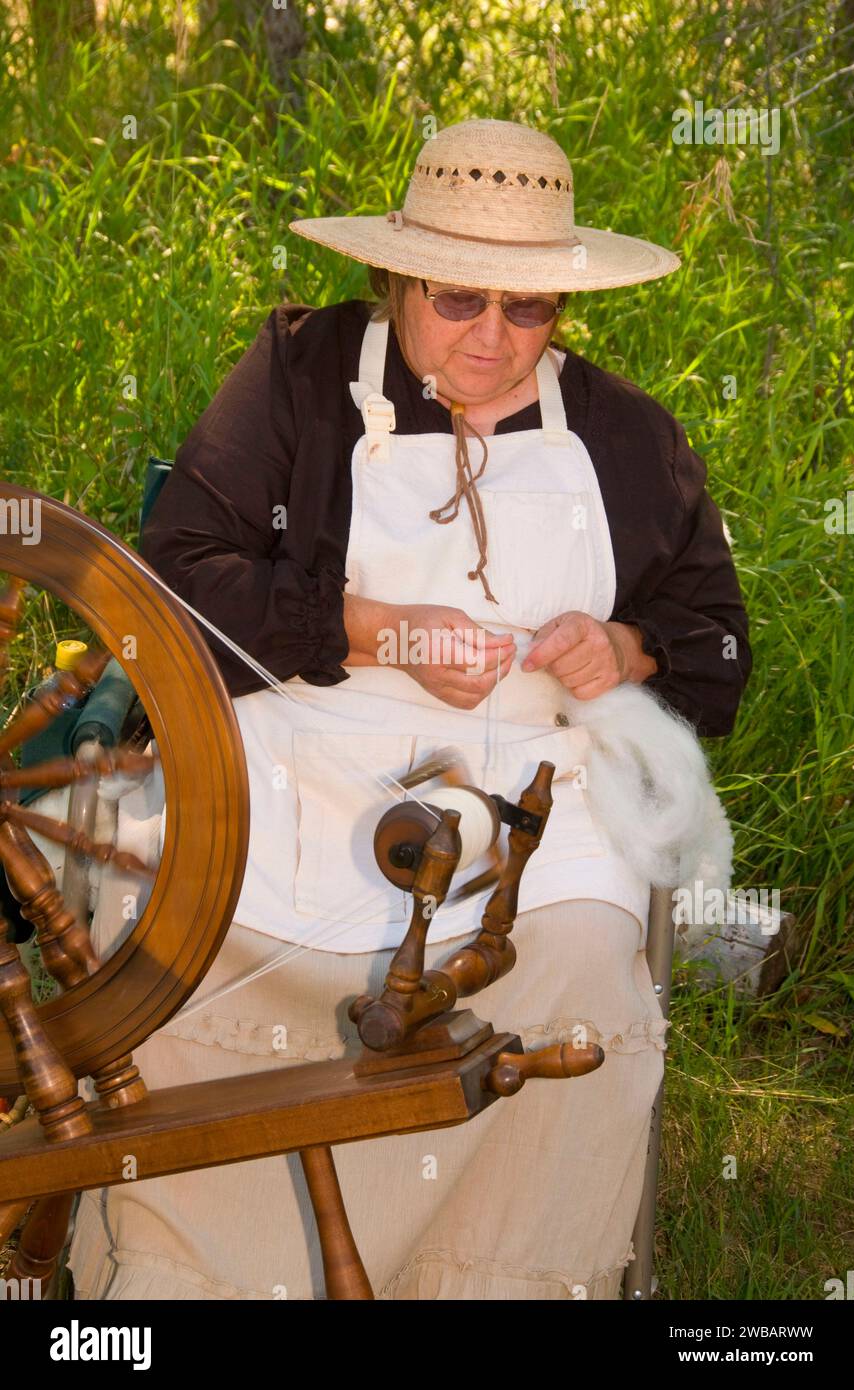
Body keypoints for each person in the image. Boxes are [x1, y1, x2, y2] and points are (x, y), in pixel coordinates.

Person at [67, 117, 751, 1301]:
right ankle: (199, 1279)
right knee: (178, 920)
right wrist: (374, 631)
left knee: (582, 953)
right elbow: (175, 572)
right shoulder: (296, 375)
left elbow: (718, 644)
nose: (491, 338)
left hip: (528, 785)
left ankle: (501, 1280)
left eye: (525, 309)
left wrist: (623, 647)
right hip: (303, 736)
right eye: (455, 300)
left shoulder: (626, 436)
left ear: (561, 308)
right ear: (394, 276)